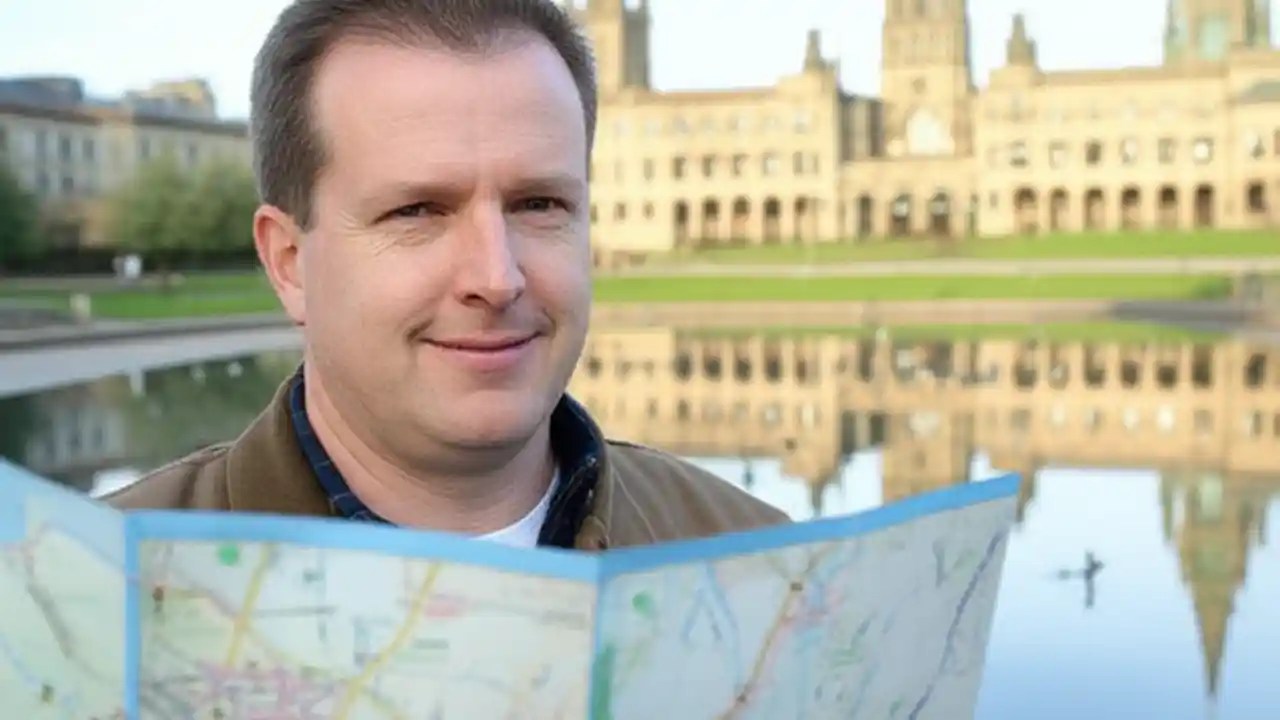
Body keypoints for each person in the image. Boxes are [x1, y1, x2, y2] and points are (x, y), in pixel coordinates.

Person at [105, 0, 788, 550]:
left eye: (538, 204)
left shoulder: (766, 568)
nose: (497, 278)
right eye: (418, 211)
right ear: (289, 263)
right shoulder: (84, 600)